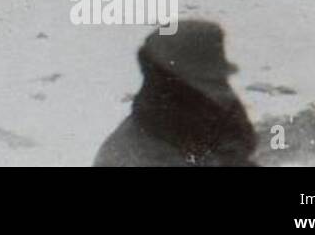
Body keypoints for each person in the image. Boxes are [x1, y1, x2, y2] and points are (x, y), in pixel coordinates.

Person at [94, 21, 257, 167]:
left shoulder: (217, 124)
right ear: (175, 86)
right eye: (205, 80)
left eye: (218, 79)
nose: (221, 93)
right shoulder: (130, 157)